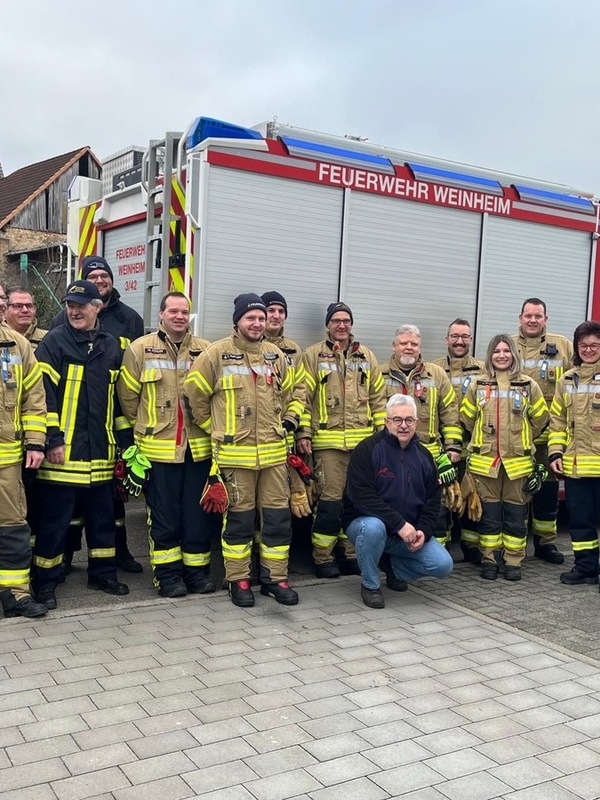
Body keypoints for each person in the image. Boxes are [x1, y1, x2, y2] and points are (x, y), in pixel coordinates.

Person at [184, 293, 305, 607]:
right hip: (234, 459)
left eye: (261, 318)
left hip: (275, 458)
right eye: (250, 317)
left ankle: (275, 579)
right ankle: (238, 580)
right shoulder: (216, 354)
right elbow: (193, 395)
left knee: (278, 521)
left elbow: (296, 394)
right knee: (239, 522)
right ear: (237, 321)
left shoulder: (275, 355)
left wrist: (290, 421)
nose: (257, 323)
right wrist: (216, 428)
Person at [32, 279, 132, 609]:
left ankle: (103, 574)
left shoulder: (112, 345)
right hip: (63, 455)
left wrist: (124, 445)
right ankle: (44, 583)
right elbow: (43, 398)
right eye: (69, 305)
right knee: (54, 524)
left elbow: (118, 404)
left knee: (102, 521)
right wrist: (52, 440)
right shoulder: (54, 343)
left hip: (101, 455)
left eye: (81, 305)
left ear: (97, 307)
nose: (74, 310)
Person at [117, 292, 221, 597]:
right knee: (164, 518)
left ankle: (198, 574)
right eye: (173, 311)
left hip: (198, 450)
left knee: (197, 516)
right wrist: (141, 436)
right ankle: (168, 577)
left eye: (184, 311)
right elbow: (128, 398)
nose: (179, 316)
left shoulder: (205, 351)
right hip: (157, 452)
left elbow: (214, 397)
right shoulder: (140, 349)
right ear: (161, 315)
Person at [53, 256, 145, 576]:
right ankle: (64, 558)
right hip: (74, 430)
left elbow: (133, 374)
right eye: (93, 275)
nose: (100, 279)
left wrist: (127, 438)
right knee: (70, 506)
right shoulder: (59, 325)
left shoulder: (130, 320)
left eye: (104, 274)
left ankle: (118, 555)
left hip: (109, 424)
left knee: (110, 503)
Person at [298, 302, 386, 579]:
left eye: (346, 320)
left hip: (362, 447)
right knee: (329, 504)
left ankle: (351, 555)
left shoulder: (366, 356)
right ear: (327, 325)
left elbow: (378, 400)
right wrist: (303, 433)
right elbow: (303, 396)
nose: (341, 325)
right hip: (327, 446)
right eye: (336, 320)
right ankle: (323, 558)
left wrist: (383, 439)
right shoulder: (312, 355)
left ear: (351, 324)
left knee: (357, 503)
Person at [342, 394, 453, 608]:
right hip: (366, 526)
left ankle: (392, 568)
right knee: (374, 528)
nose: (403, 426)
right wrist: (399, 524)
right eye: (397, 420)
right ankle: (371, 584)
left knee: (443, 565)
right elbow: (362, 498)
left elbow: (432, 501)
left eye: (409, 420)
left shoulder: (424, 457)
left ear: (417, 423)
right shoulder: (367, 450)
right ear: (386, 421)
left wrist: (424, 531)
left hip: (407, 534)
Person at [460, 334, 549, 582]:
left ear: (514, 355)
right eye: (496, 351)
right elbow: (466, 420)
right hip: (485, 464)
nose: (501, 355)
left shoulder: (528, 385)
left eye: (506, 351)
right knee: (488, 516)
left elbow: (541, 420)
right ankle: (489, 559)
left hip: (517, 465)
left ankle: (513, 561)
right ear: (490, 356)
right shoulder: (477, 386)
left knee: (515, 517)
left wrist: (522, 440)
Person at [382, 325, 462, 549]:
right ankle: (397, 555)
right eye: (403, 343)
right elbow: (376, 415)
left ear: (420, 347)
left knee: (437, 508)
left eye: (414, 344)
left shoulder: (436, 374)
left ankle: (435, 552)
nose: (409, 347)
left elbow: (450, 413)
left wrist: (453, 449)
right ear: (394, 346)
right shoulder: (379, 374)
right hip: (392, 456)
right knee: (398, 505)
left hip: (430, 456)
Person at [513, 298, 572, 565]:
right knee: (518, 490)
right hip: (514, 436)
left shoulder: (562, 346)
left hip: (548, 438)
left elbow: (575, 382)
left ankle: (545, 544)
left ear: (545, 319)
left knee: (548, 492)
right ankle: (515, 544)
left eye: (538, 316)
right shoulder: (508, 346)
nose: (533, 320)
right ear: (520, 318)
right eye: (528, 315)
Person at [0, 322, 48, 618]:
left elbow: (34, 399)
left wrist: (35, 443)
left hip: (8, 462)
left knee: (12, 529)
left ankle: (16, 594)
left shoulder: (16, 345)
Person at [549, 320, 600, 586]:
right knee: (580, 522)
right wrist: (556, 453)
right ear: (577, 348)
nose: (589, 350)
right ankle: (586, 568)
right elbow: (557, 420)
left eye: (594, 345)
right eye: (584, 345)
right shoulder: (567, 380)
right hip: (576, 465)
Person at [433, 319, 485, 563]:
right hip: (442, 448)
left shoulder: (483, 371)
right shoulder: (433, 370)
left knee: (471, 497)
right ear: (447, 339)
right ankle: (440, 549)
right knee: (444, 498)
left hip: (472, 448)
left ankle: (471, 547)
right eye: (455, 336)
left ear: (471, 339)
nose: (460, 341)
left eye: (465, 336)